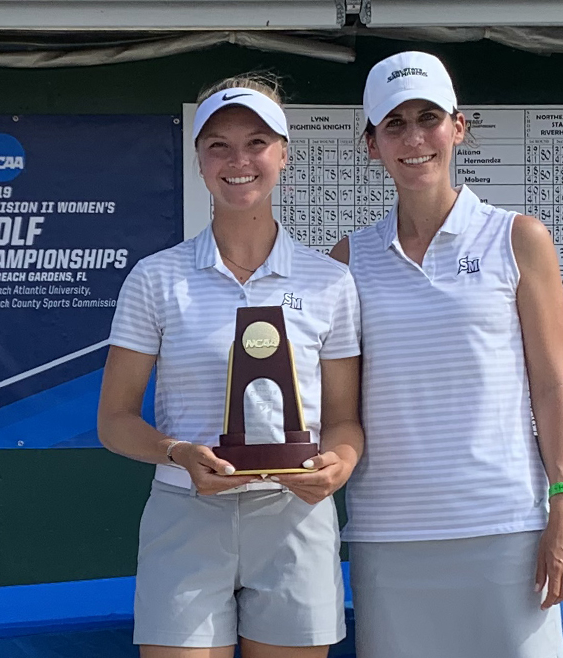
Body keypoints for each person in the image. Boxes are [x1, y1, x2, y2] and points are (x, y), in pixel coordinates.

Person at [330, 51, 563, 658]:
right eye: (394, 124)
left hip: (505, 530)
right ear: (372, 145)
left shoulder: (518, 237)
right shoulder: (348, 258)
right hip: (389, 536)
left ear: (458, 127)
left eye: (429, 118)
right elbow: (337, 404)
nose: (414, 138)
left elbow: (552, 388)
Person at [98, 75, 363, 658]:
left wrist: (338, 465)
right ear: (198, 159)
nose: (238, 160)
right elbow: (115, 420)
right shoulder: (156, 277)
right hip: (186, 511)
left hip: (296, 512)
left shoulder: (331, 281)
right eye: (219, 144)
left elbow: (344, 420)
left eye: (257, 142)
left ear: (284, 155)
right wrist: (177, 453)